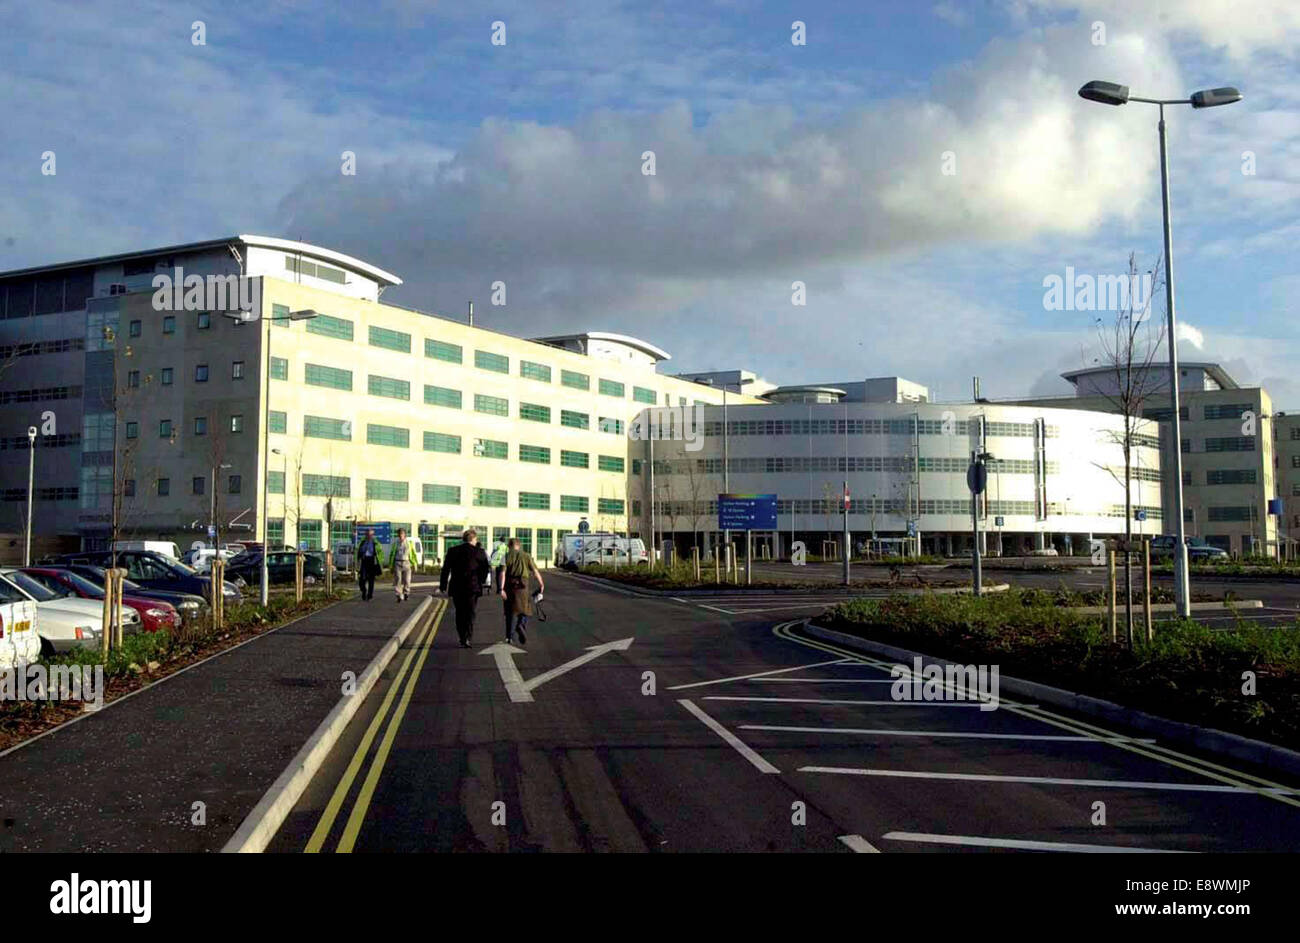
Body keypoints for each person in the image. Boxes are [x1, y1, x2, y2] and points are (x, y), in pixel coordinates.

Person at [439, 529, 490, 648]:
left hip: (457, 586)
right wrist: (481, 581)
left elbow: (445, 569)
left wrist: (443, 585)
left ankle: (462, 636)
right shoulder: (480, 552)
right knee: (470, 612)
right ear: (473, 539)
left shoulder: (452, 551)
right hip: (473, 586)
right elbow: (485, 569)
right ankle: (468, 637)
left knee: (460, 612)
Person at [495, 537, 544, 646]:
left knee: (510, 611)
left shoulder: (505, 556)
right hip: (523, 585)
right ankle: (521, 624)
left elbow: (502, 573)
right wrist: (541, 584)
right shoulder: (526, 556)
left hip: (510, 585)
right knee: (525, 609)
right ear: (519, 545)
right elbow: (535, 571)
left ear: (509, 546)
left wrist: (501, 589)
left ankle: (509, 637)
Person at [388, 528, 418, 602]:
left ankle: (406, 593)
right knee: (398, 579)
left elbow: (413, 554)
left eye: (402, 534)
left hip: (407, 563)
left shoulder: (409, 543)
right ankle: (398, 595)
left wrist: (415, 564)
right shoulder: (395, 543)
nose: (400, 535)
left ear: (405, 535)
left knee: (407, 580)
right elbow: (392, 554)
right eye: (399, 534)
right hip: (397, 562)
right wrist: (391, 566)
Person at [357, 528, 381, 601]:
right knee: (362, 579)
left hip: (372, 561)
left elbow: (380, 553)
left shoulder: (376, 542)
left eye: (371, 534)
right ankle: (363, 590)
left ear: (373, 535)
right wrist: (357, 559)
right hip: (364, 560)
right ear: (365, 535)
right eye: (367, 534)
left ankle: (369, 595)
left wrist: (380, 562)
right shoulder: (362, 542)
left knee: (371, 580)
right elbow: (358, 551)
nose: (369, 536)